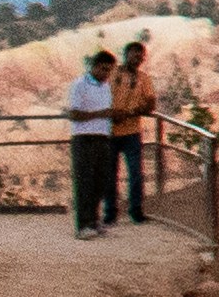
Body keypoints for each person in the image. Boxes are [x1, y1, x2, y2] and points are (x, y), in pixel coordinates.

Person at [106, 36, 162, 226]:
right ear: (126, 55)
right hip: (110, 131)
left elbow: (151, 102)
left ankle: (136, 210)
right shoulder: (112, 74)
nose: (137, 60)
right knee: (110, 174)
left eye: (140, 57)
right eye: (134, 56)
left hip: (132, 131)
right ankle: (110, 212)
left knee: (136, 173)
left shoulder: (144, 79)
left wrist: (134, 111)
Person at [65, 49, 119, 238]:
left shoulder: (105, 86)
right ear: (94, 66)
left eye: (109, 71)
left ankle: (94, 220)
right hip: (84, 137)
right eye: (104, 69)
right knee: (85, 181)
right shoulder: (79, 85)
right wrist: (99, 114)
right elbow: (73, 114)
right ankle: (83, 225)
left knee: (100, 181)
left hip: (103, 136)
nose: (106, 74)